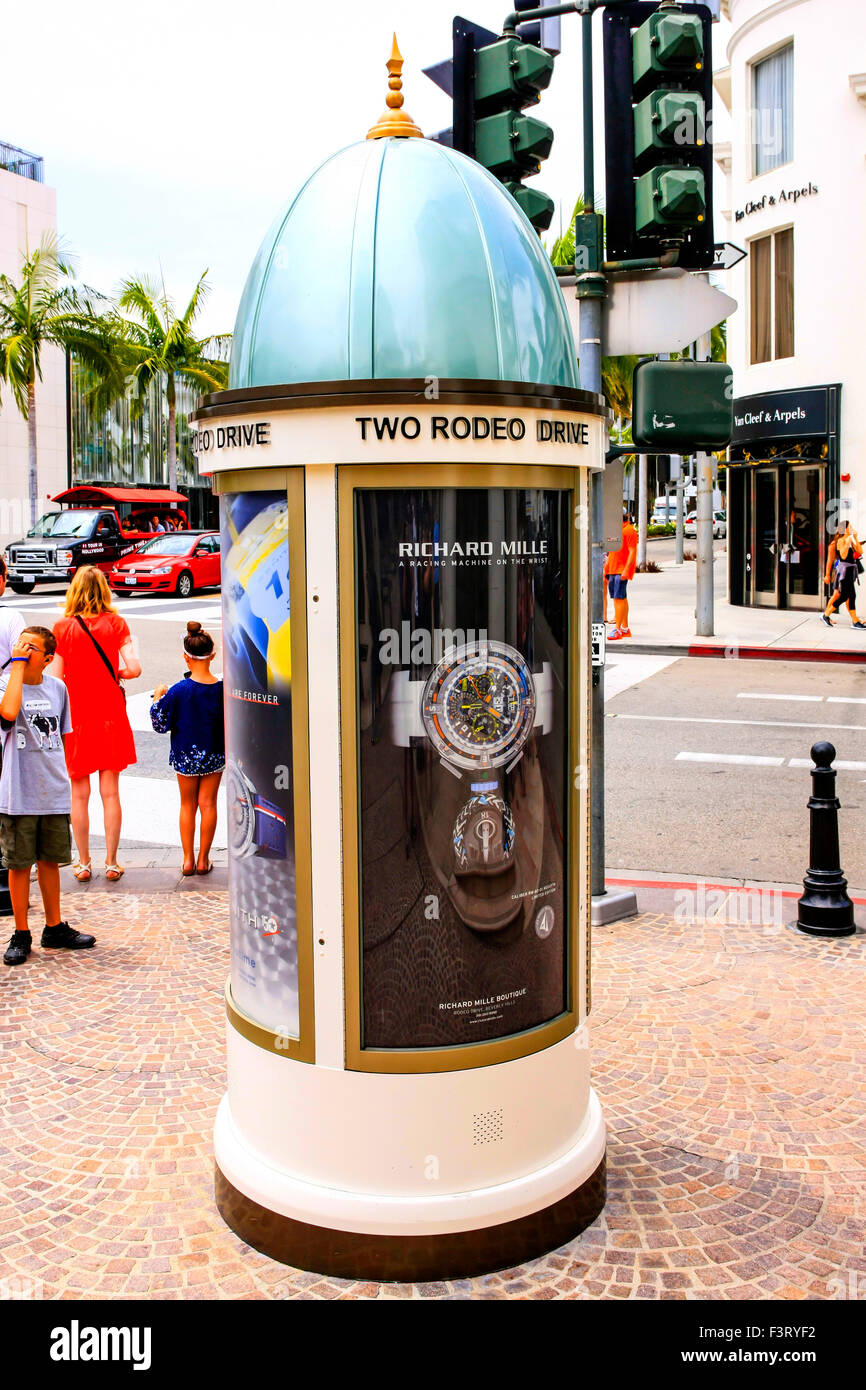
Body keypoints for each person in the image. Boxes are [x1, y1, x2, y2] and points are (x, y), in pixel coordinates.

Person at [1, 626, 95, 966]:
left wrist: (65, 779)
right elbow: (8, 714)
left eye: (31, 646)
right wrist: (16, 666)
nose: (22, 648)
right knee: (19, 863)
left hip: (52, 791)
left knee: (50, 860)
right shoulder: (6, 683)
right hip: (18, 792)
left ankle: (54, 927)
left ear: (48, 658)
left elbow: (63, 737)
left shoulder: (58, 688)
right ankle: (21, 932)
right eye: (19, 642)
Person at [51, 567, 141, 882]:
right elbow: (134, 668)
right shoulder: (116, 624)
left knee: (79, 794)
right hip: (110, 715)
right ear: (103, 590)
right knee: (111, 792)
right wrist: (115, 673)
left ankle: (84, 863)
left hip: (77, 716)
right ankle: (113, 862)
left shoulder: (61, 628)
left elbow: (55, 679)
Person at [150, 621, 224, 876]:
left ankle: (187, 860)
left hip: (185, 755)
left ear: (186, 657)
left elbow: (159, 724)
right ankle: (204, 859)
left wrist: (159, 697)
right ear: (212, 655)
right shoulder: (221, 689)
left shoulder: (179, 691)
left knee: (187, 805)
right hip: (214, 753)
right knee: (208, 803)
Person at [823, 523, 864, 628]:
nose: (851, 528)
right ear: (845, 529)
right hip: (845, 572)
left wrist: (854, 538)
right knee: (843, 596)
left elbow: (860, 551)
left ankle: (855, 621)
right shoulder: (840, 541)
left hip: (851, 571)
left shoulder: (850, 539)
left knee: (852, 596)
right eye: (849, 527)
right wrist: (848, 542)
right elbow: (843, 555)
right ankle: (826, 614)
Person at [606, 511, 639, 641]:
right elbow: (612, 551)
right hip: (614, 569)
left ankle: (618, 629)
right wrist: (607, 567)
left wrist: (626, 570)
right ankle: (624, 628)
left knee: (618, 599)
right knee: (620, 598)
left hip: (620, 570)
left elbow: (632, 552)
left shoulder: (629, 530)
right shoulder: (618, 531)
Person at [0, 555, 25, 669]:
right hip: (5, 684)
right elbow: (20, 662)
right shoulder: (11, 617)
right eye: (6, 575)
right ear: (1, 579)